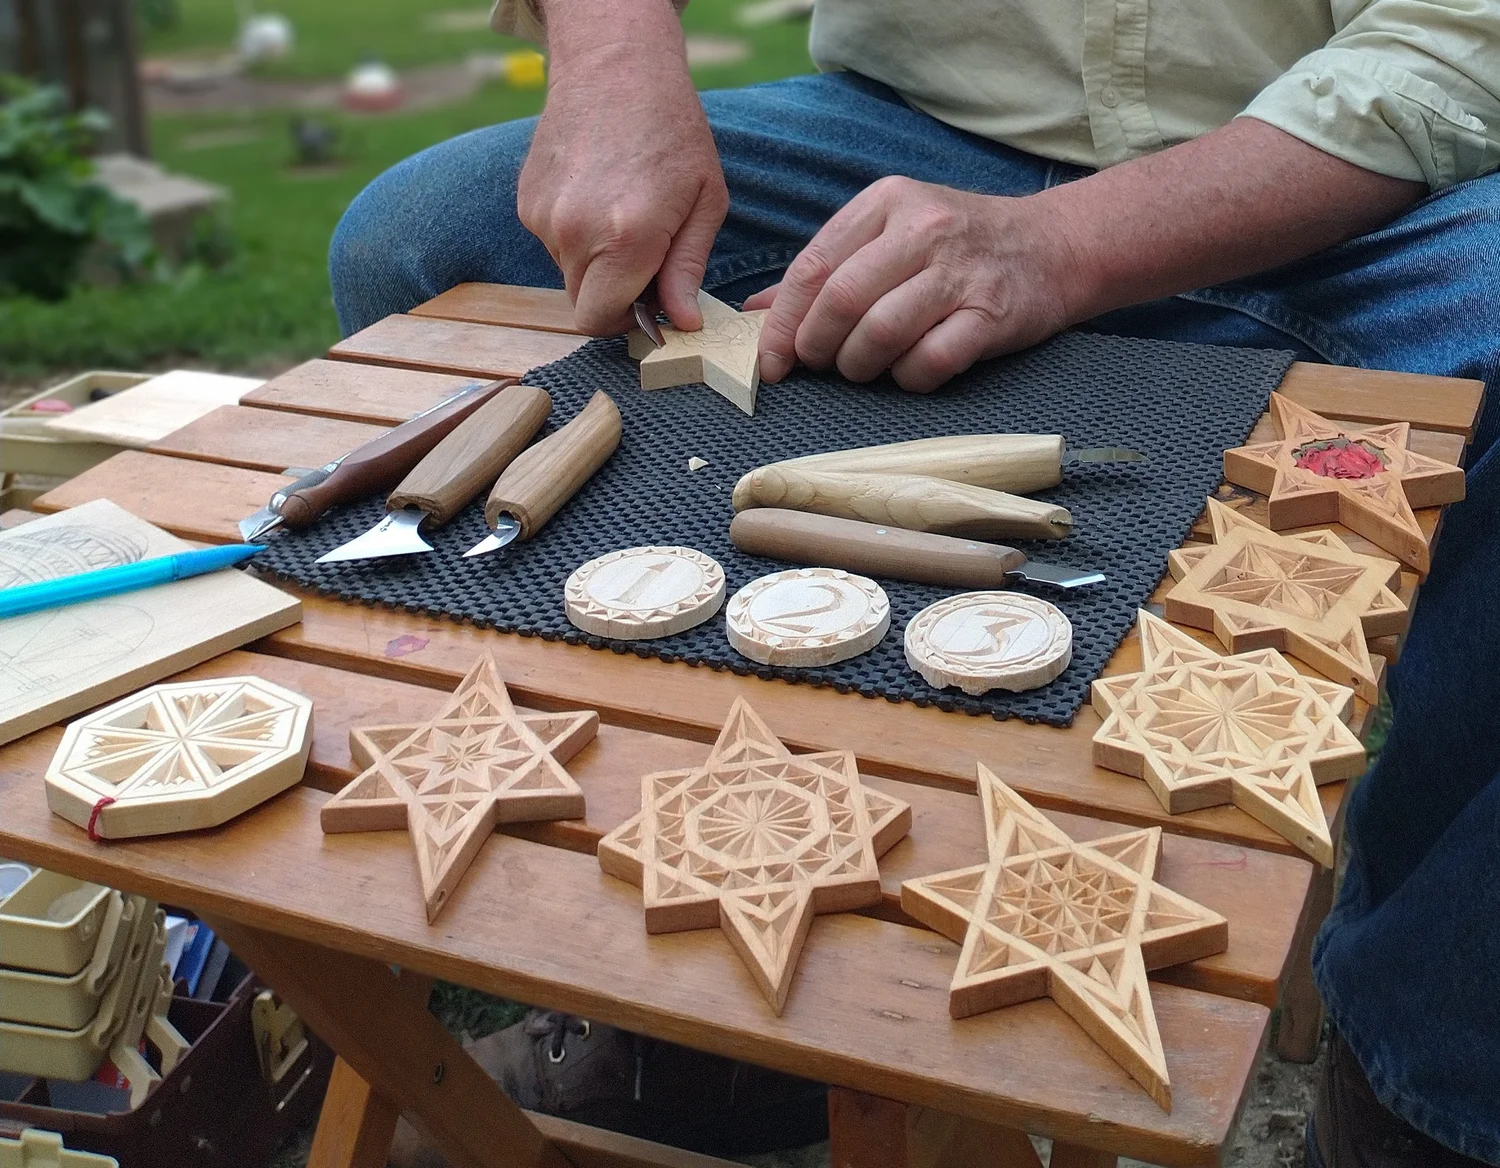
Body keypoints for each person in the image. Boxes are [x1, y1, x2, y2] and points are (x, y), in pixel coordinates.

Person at [334, 2, 1500, 1164]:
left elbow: (1455, 38)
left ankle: (1423, 1097)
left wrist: (1064, 243)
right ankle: (708, 1010)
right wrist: (610, 49)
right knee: (424, 239)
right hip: (917, 137)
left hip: (1354, 187)